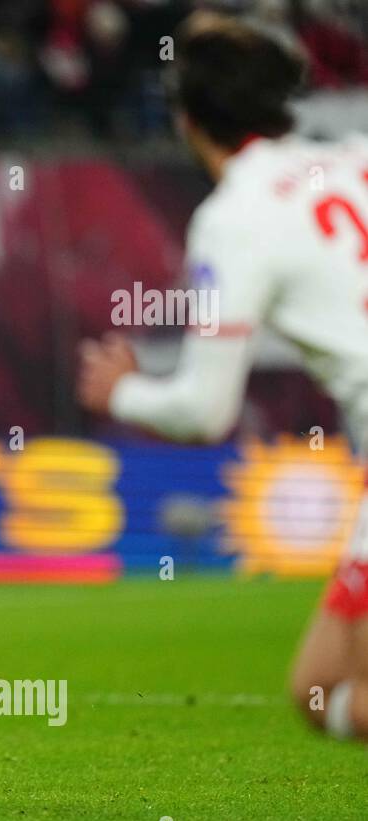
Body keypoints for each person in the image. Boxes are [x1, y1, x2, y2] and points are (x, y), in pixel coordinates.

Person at [78, 11, 368, 742]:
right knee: (318, 695)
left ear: (188, 120)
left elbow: (206, 413)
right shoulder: (357, 156)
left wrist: (124, 393)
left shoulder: (235, 218)